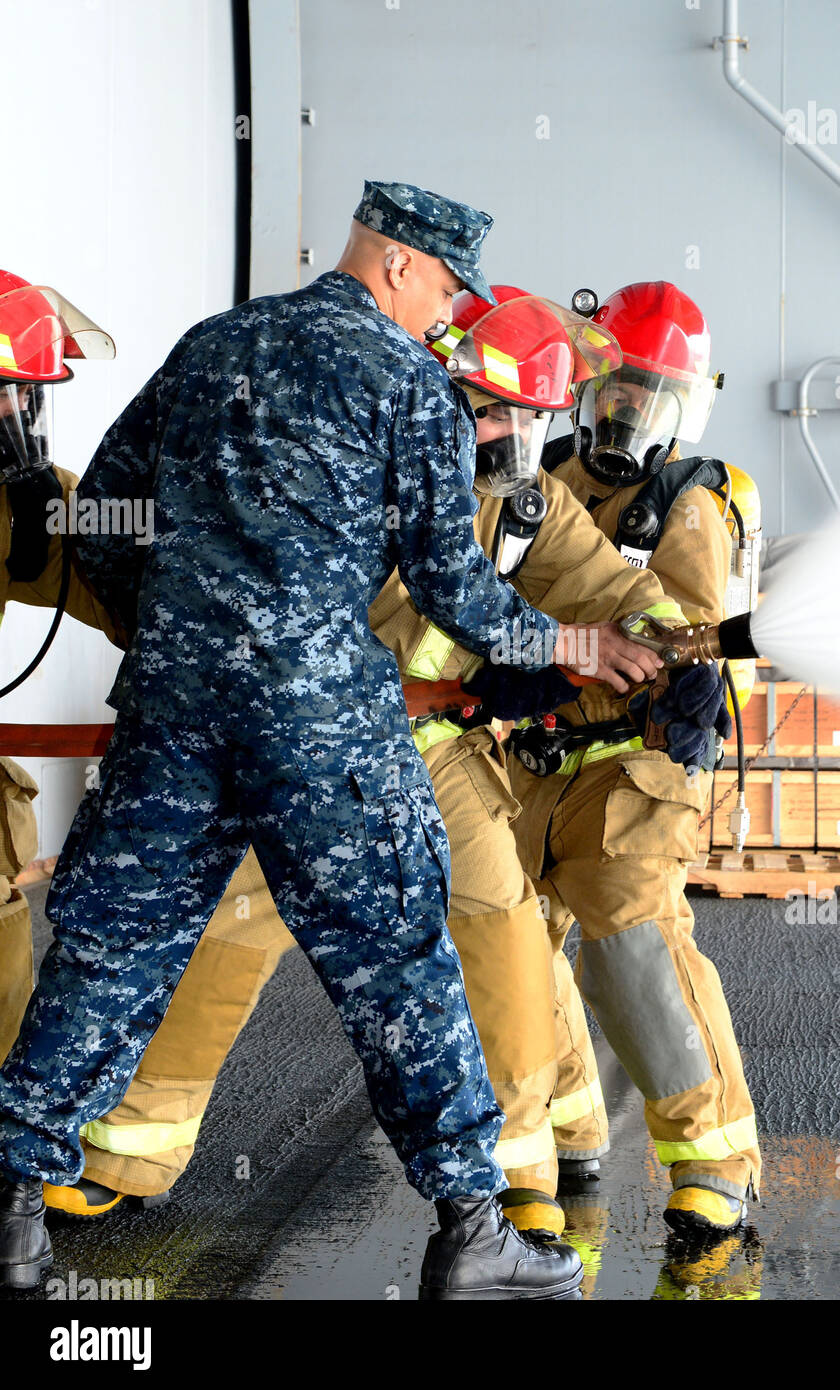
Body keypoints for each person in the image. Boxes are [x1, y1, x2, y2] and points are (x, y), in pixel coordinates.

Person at [0, 182, 662, 1300]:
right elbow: (455, 586)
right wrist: (571, 645)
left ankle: (10, 1215)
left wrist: (180, 625)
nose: (449, 312)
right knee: (399, 965)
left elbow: (103, 510)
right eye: (447, 286)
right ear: (399, 262)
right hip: (321, 724)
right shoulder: (406, 381)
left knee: (110, 952)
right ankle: (469, 1232)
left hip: (173, 715)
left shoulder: (214, 345)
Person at [507, 281, 764, 1238]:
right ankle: (570, 1128)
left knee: (632, 946)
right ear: (585, 383)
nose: (628, 414)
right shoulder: (536, 468)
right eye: (617, 390)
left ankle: (713, 1164)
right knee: (508, 944)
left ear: (686, 406)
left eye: (653, 397)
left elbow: (680, 632)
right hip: (524, 756)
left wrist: (579, 644)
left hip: (632, 760)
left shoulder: (687, 498)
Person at [0, 271, 119, 1067]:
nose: (14, 417)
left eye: (23, 397)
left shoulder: (21, 504)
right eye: (1, 394)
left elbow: (131, 597)